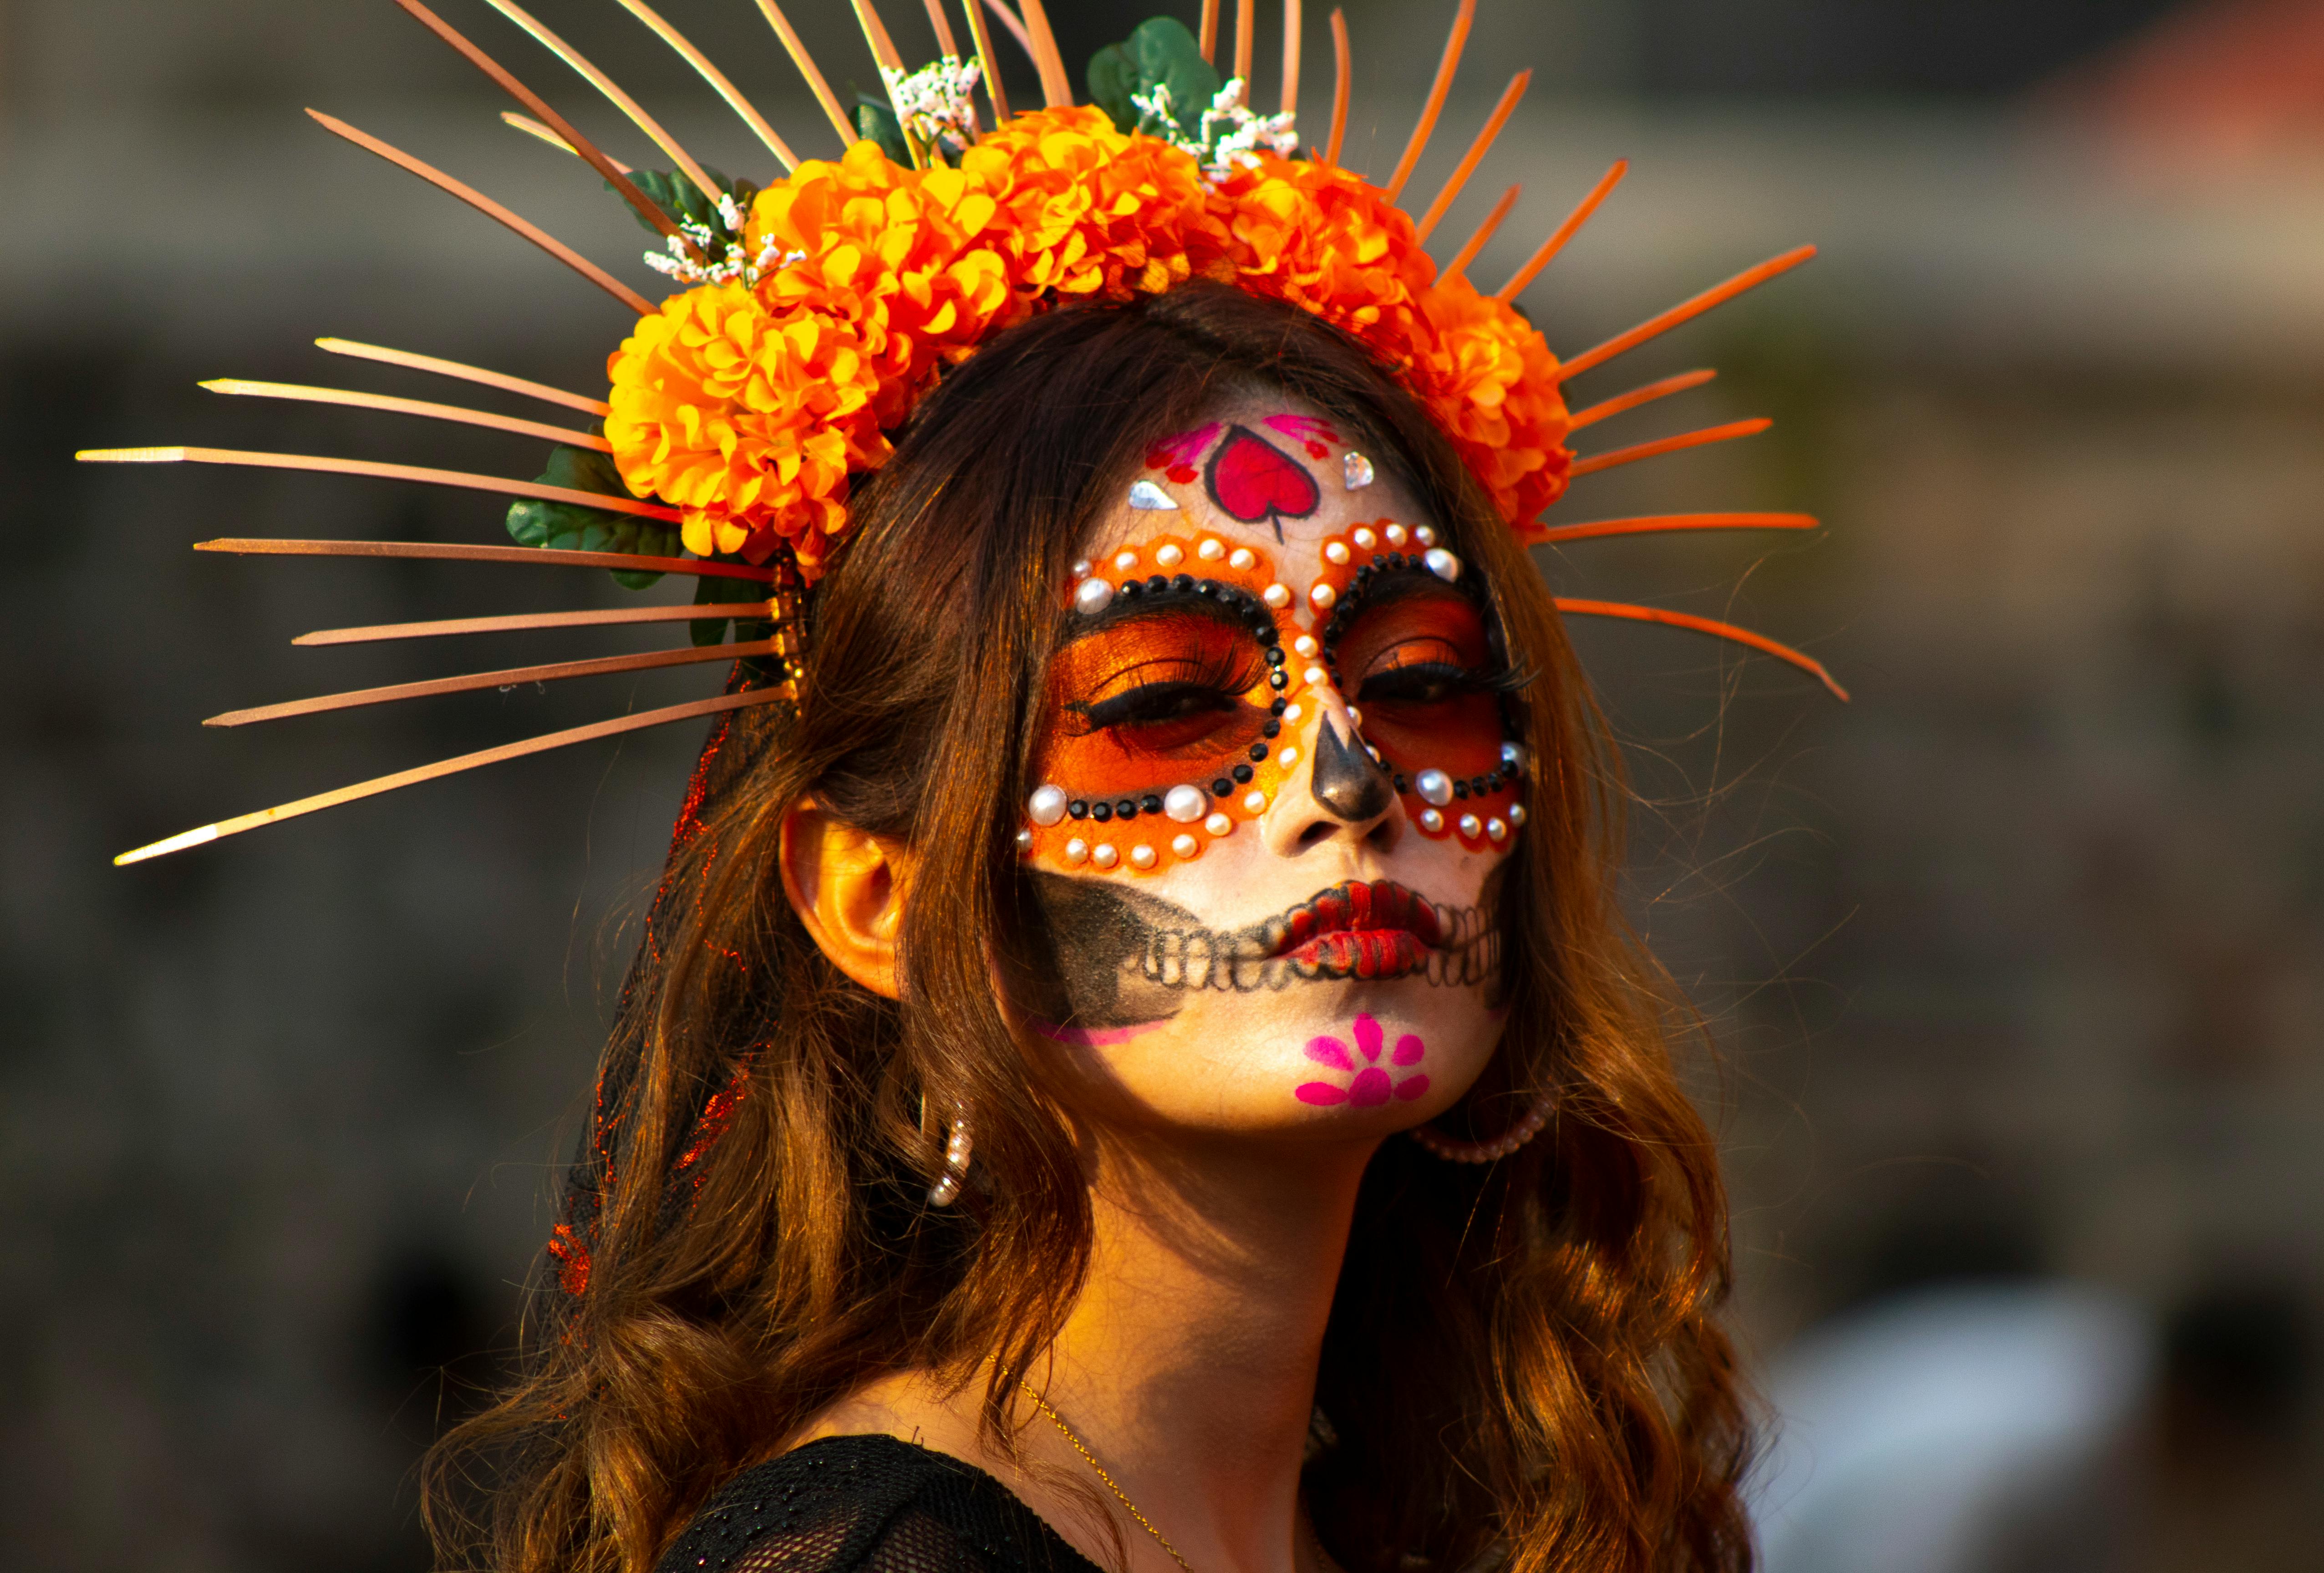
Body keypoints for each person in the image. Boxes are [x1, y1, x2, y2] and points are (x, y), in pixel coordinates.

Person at [88, 5, 1826, 1569]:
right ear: (873, 894)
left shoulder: (1471, 1525)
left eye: (1427, 683)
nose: (1346, 772)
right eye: (1167, 708)